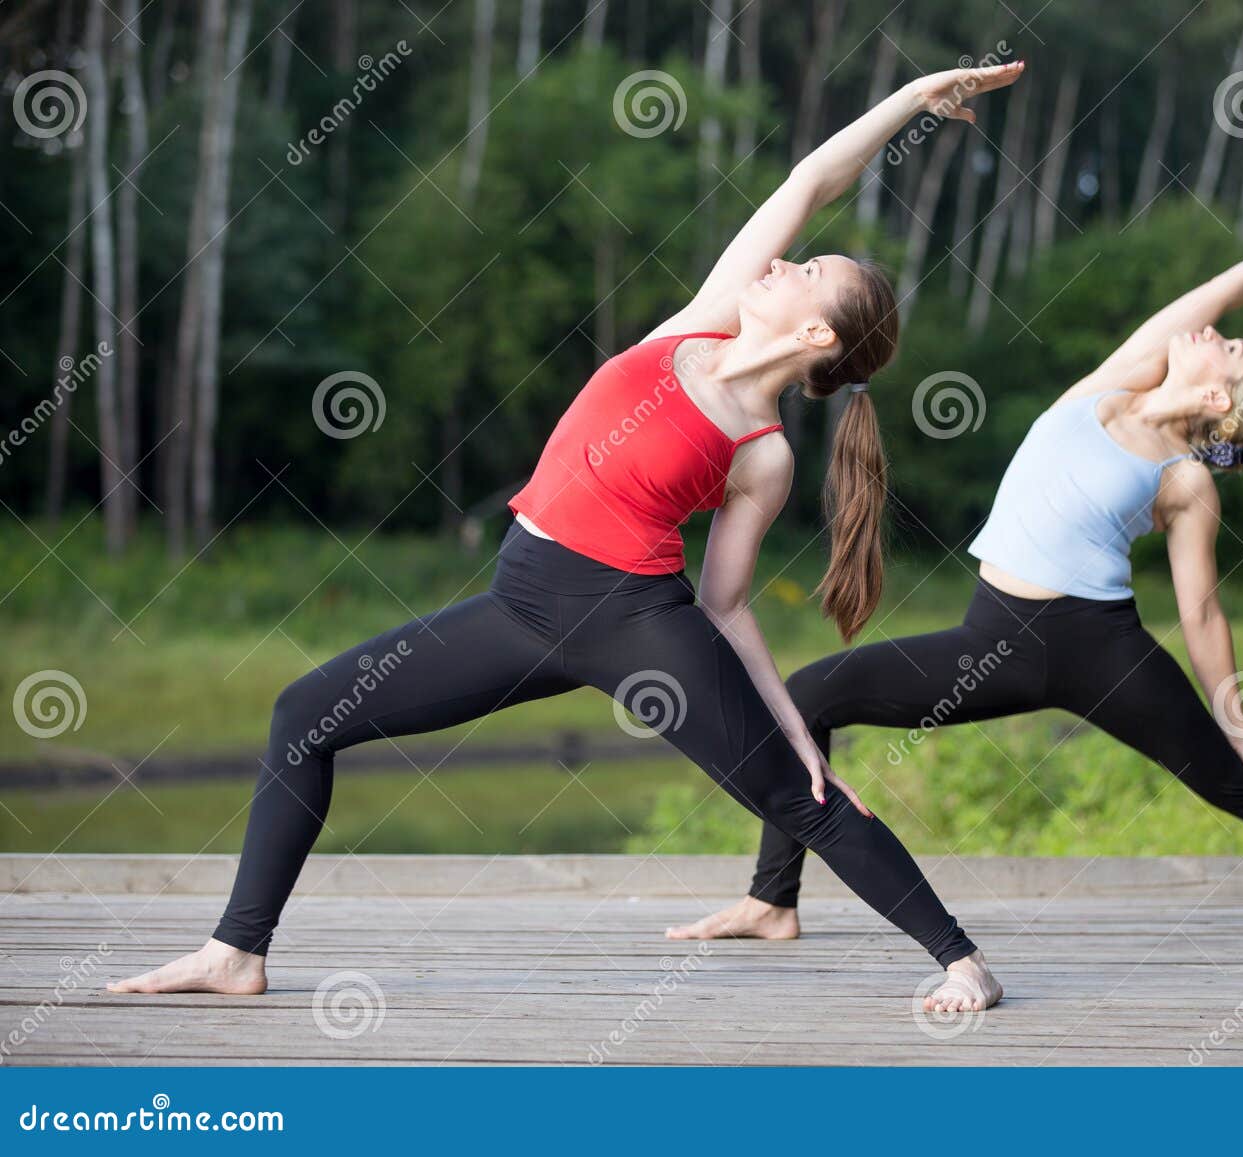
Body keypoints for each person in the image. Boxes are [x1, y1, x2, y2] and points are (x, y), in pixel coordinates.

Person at [108, 61, 1030, 1013]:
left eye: (812, 274)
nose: (791, 262)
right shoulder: (698, 328)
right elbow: (807, 181)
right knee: (304, 715)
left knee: (797, 794)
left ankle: (964, 960)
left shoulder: (762, 454)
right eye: (807, 256)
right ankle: (236, 950)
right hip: (521, 603)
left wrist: (798, 732)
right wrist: (913, 99)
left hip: (633, 623)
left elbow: (722, 604)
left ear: (818, 339)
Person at [669, 209, 1243, 955]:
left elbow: (1202, 612)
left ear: (1218, 399)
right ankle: (774, 901)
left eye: (1231, 346)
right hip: (990, 640)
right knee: (809, 695)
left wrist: (1234, 718)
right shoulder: (1109, 387)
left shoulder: (1186, 482)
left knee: (1237, 782)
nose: (1213, 329)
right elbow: (1222, 289)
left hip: (1102, 651)